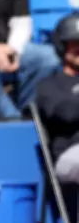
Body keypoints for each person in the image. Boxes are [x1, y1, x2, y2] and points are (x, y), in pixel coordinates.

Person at [35, 13, 79, 185]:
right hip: (69, 154)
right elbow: (66, 113)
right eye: (74, 43)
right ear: (62, 47)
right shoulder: (49, 84)